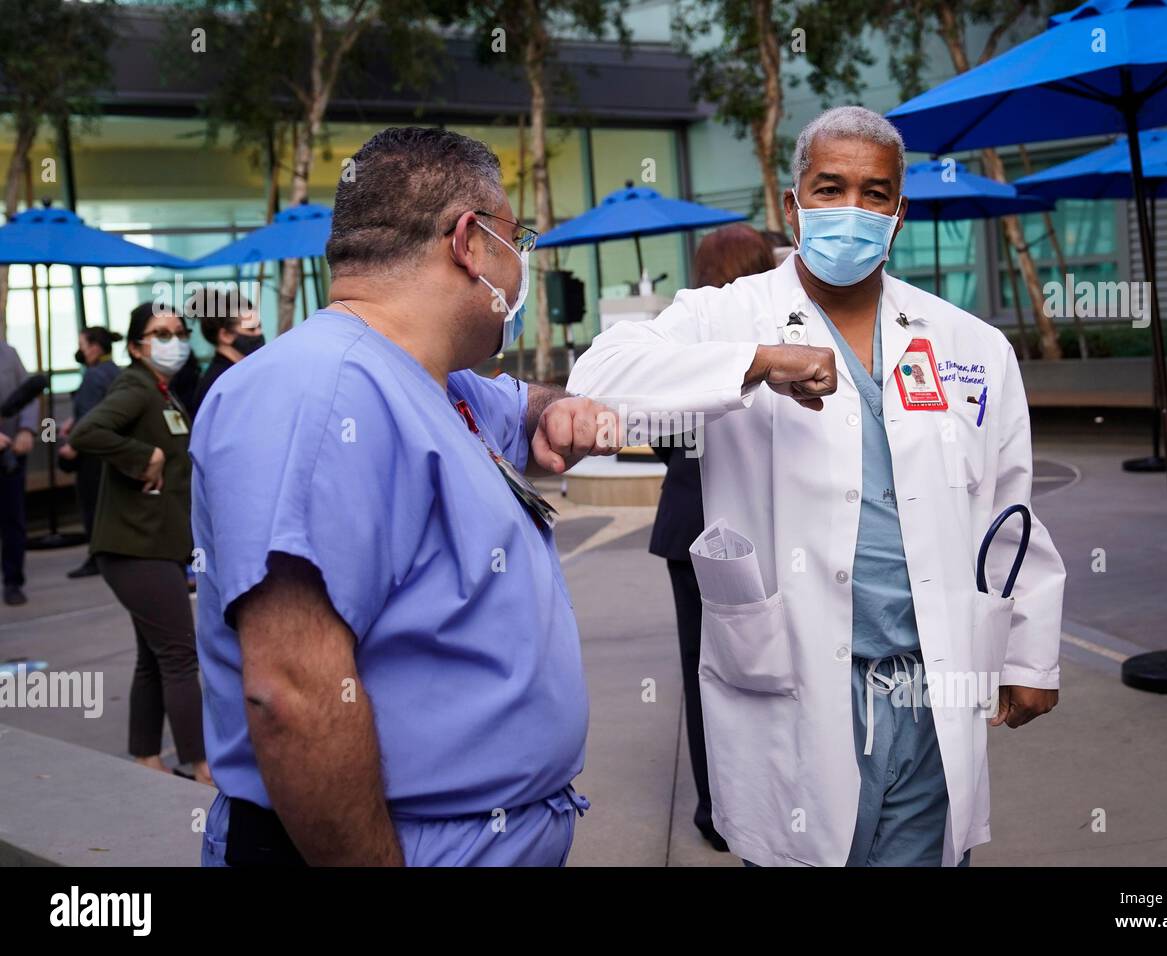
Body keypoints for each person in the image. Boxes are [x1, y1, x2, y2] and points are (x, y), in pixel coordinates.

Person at [568, 106, 1066, 867]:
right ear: (792, 203)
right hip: (795, 677)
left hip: (933, 682)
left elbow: (1008, 504)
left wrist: (1031, 655)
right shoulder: (729, 316)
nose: (853, 211)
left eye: (876, 193)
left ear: (899, 213)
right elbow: (597, 384)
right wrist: (756, 361)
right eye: (830, 188)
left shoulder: (970, 345)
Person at [191, 126, 619, 867]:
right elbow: (293, 694)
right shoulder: (318, 392)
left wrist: (555, 411)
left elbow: (524, 407)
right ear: (470, 241)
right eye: (519, 240)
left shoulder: (434, 382)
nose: (522, 267)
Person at [649, 224, 775, 853]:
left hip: (685, 525)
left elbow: (660, 438)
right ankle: (767, 799)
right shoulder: (774, 343)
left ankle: (714, 810)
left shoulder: (684, 342)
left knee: (704, 670)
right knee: (768, 664)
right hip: (758, 529)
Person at [69, 303, 211, 785]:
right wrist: (141, 455)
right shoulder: (134, 385)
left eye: (179, 332)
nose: (173, 341)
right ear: (135, 346)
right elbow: (88, 431)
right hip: (134, 548)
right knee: (179, 655)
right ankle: (204, 766)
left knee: (154, 655)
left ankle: (147, 759)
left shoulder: (162, 392)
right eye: (159, 333)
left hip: (155, 544)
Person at [58, 326, 123, 578]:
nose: (80, 351)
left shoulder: (93, 376)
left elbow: (89, 417)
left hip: (91, 456)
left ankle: (97, 557)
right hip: (111, 451)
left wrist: (72, 446)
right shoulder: (116, 372)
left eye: (83, 345)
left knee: (92, 507)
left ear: (95, 348)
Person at [0, 340, 39, 605]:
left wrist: (27, 429)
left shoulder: (9, 352)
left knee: (13, 519)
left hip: (11, 452)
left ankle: (13, 581)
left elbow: (29, 393)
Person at [191, 288, 263, 414]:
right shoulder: (222, 381)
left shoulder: (237, 373)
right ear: (225, 335)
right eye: (251, 329)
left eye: (259, 326)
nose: (259, 333)